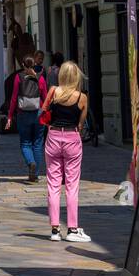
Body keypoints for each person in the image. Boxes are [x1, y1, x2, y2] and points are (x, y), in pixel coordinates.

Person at [42, 61, 90, 243]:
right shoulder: (82, 97)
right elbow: (81, 122)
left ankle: (55, 230)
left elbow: (44, 112)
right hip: (72, 138)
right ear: (76, 77)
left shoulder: (53, 91)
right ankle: (72, 228)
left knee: (53, 184)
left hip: (54, 136)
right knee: (72, 185)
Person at [5, 55, 48, 182]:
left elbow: (14, 98)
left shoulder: (18, 77)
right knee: (38, 143)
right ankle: (34, 174)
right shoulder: (40, 78)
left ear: (23, 65)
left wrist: (10, 116)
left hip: (23, 113)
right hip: (38, 112)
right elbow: (45, 97)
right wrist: (46, 113)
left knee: (25, 143)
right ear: (34, 64)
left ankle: (30, 162)